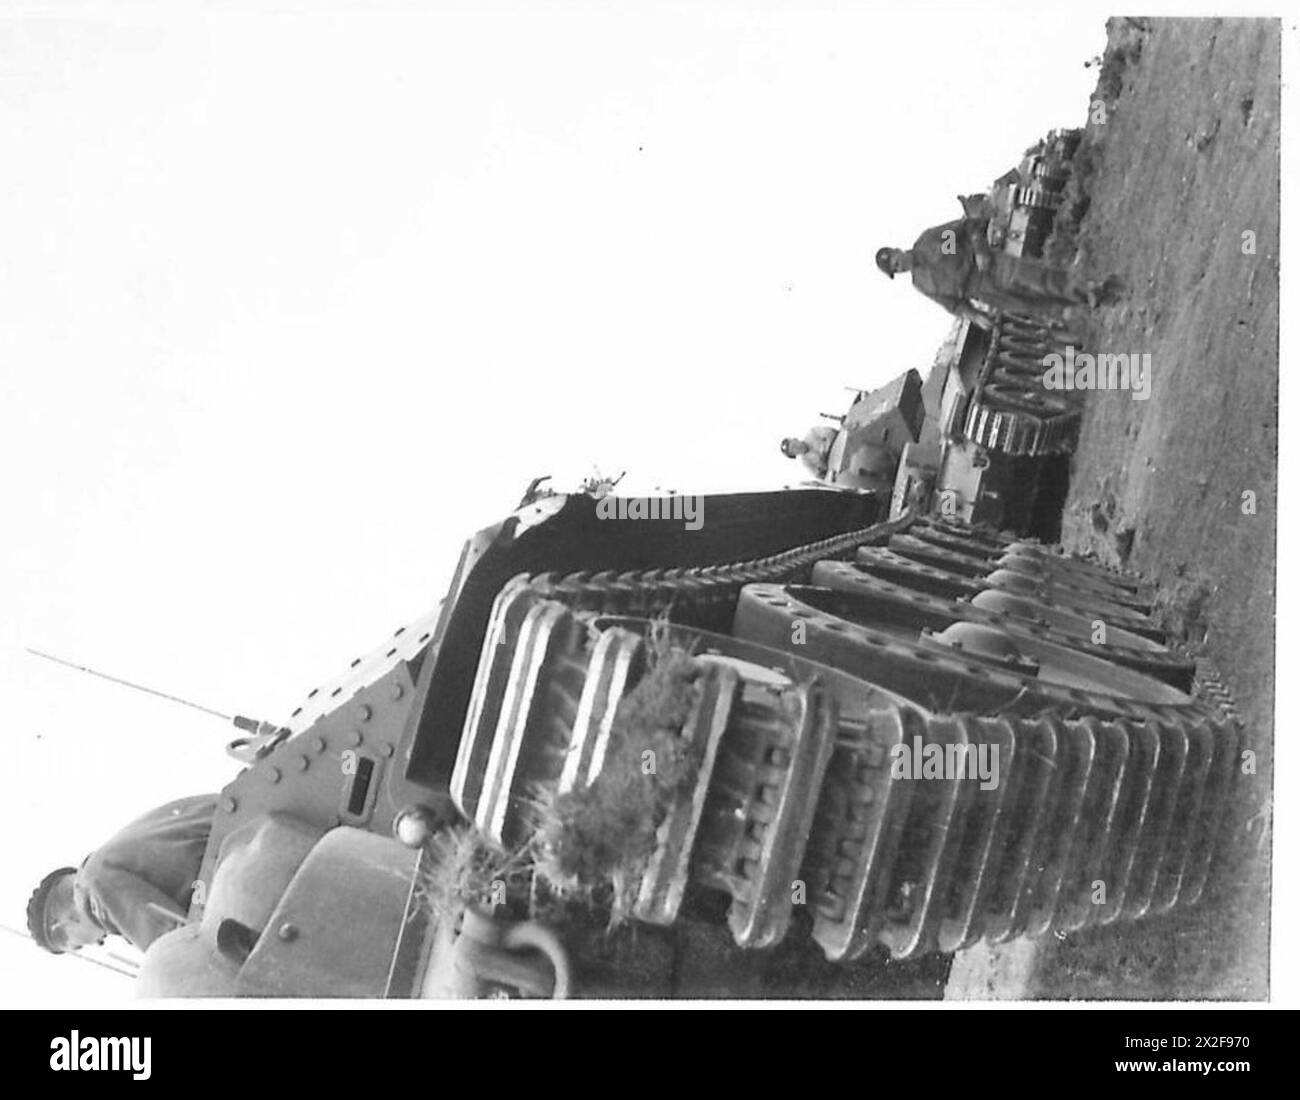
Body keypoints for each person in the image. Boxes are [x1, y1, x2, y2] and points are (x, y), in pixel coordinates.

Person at [27, 794, 217, 956]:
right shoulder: (103, 863)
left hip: (220, 853)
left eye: (79, 945)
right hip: (225, 826)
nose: (97, 943)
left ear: (63, 924)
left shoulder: (94, 891)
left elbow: (180, 943)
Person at [875, 204, 1120, 325]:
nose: (900, 266)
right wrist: (975, 316)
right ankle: (1087, 314)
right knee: (1031, 306)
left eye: (896, 261)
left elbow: (968, 227)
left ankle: (1090, 290)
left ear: (897, 250)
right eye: (896, 269)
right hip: (983, 292)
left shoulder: (930, 240)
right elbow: (953, 304)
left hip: (989, 266)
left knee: (1040, 279)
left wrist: (981, 251)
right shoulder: (922, 283)